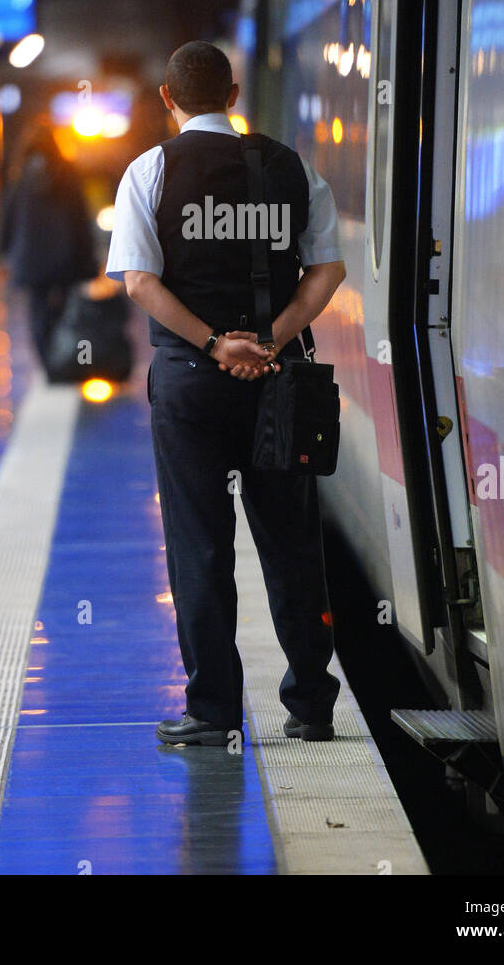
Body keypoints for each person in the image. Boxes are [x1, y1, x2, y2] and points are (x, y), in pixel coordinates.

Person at [106, 41, 346, 746]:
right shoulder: (290, 168)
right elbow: (325, 272)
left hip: (188, 384)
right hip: (279, 383)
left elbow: (140, 284)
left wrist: (215, 345)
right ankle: (310, 705)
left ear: (166, 98)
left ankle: (212, 713)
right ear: (234, 94)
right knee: (292, 541)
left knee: (200, 547)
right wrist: (267, 340)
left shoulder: (149, 171)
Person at [2, 119, 98, 367]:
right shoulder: (68, 173)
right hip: (66, 257)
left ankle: (46, 359)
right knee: (67, 308)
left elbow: (9, 217)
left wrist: (5, 251)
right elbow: (80, 218)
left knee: (37, 309)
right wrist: (88, 256)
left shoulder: (20, 175)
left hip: (31, 258)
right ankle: (63, 355)